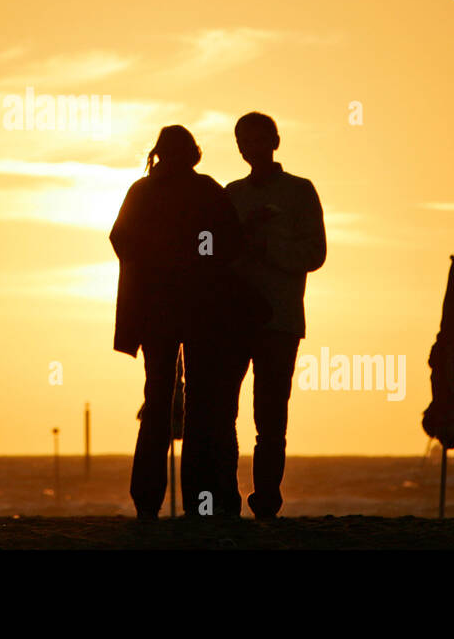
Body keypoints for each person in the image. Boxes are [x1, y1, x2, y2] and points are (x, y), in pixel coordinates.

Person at [110, 125, 241, 519]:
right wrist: (194, 260)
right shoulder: (205, 190)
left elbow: (121, 240)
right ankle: (195, 502)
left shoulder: (143, 191)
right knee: (197, 405)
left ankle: (148, 502)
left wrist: (157, 261)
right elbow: (231, 243)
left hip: (160, 312)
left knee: (159, 402)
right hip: (197, 311)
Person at [223, 111, 326, 518]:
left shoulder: (300, 192)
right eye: (242, 140)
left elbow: (315, 254)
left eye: (258, 138)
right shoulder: (231, 194)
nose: (250, 146)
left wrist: (270, 249)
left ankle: (266, 502)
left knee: (270, 420)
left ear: (275, 140)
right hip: (234, 321)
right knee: (224, 415)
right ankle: (227, 500)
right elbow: (216, 254)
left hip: (280, 322)